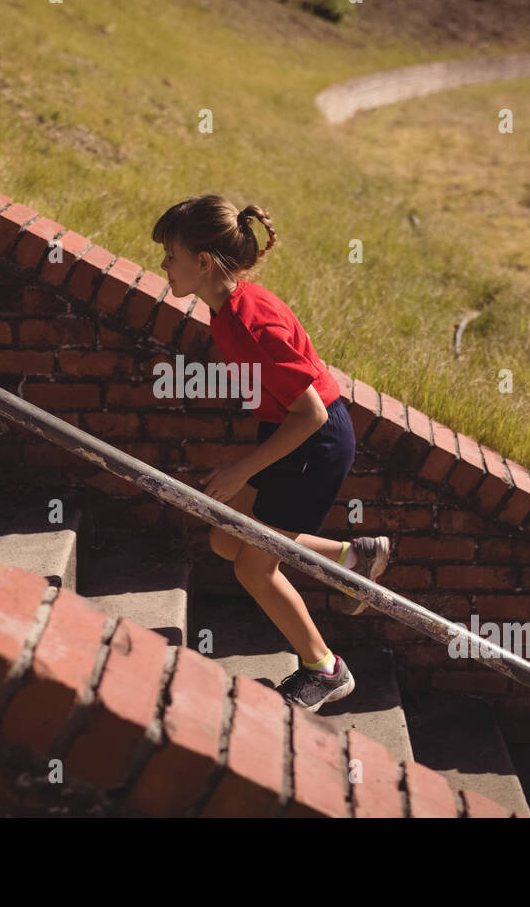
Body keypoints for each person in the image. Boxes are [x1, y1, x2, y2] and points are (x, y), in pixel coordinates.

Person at [151, 194, 394, 712]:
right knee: (224, 538)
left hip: (314, 445)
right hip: (289, 436)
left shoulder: (249, 322)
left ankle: (323, 669)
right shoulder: (229, 308)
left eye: (171, 254)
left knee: (253, 569)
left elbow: (312, 414)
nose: (164, 264)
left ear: (203, 262)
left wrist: (244, 468)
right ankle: (355, 558)